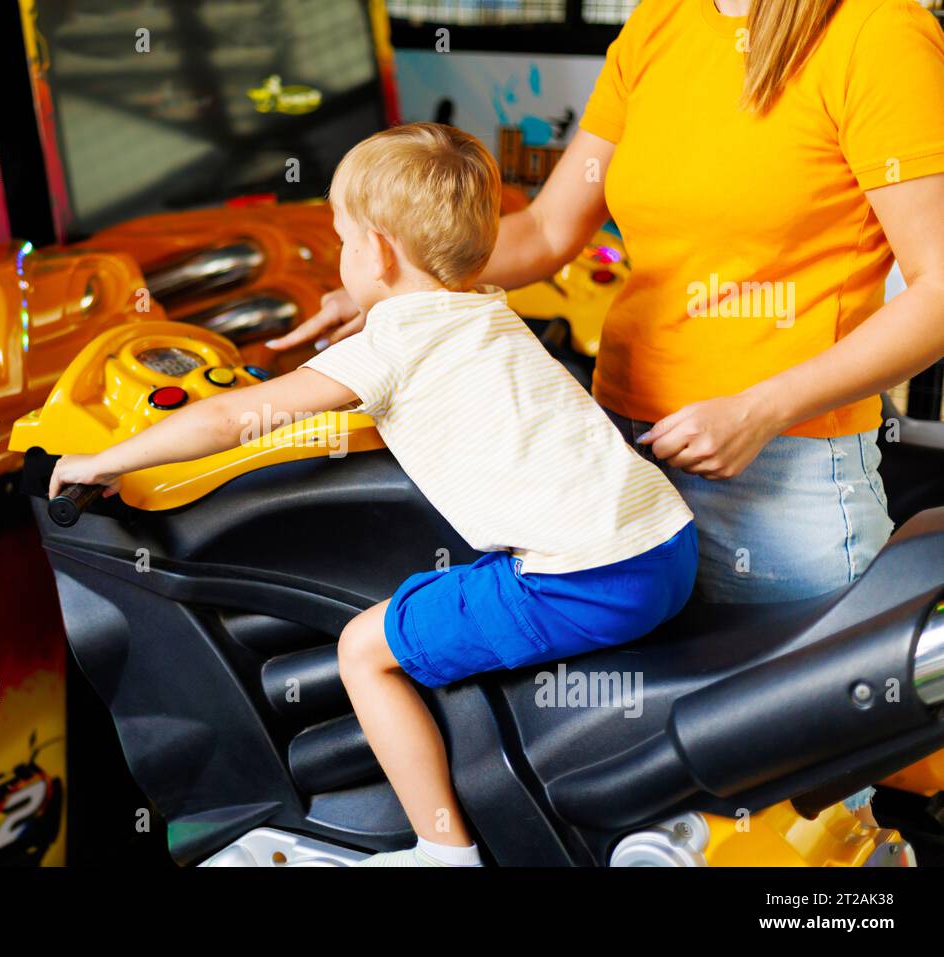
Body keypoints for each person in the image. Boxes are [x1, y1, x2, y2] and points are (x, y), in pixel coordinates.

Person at [267, 0, 944, 818]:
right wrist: (400, 292)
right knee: (666, 789)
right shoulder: (662, 22)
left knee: (806, 803)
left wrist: (761, 408)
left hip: (782, 472)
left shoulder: (877, 33)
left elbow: (938, 292)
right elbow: (552, 228)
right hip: (618, 473)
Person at [50, 122, 698, 866]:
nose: (344, 256)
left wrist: (107, 457)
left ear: (380, 252)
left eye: (344, 240)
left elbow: (232, 416)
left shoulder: (388, 348)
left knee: (364, 648)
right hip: (665, 545)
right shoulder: (485, 306)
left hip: (589, 578)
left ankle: (440, 848)